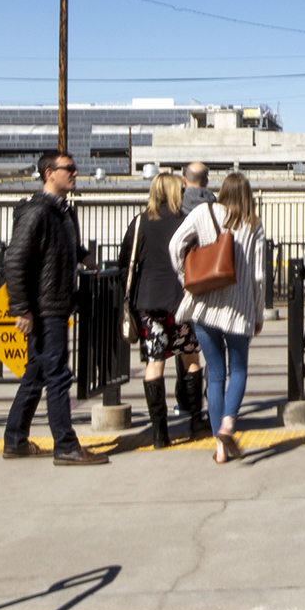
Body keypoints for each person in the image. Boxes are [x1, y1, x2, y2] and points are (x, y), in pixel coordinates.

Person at [2, 150, 108, 466]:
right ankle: (65, 445)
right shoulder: (37, 211)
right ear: (50, 173)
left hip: (55, 304)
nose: (75, 173)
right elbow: (15, 260)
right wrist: (21, 308)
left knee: (36, 375)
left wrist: (83, 255)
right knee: (58, 375)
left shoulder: (61, 212)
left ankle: (15, 439)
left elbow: (60, 247)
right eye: (69, 169)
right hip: (45, 307)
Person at [171, 172, 268, 464]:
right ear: (248, 195)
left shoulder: (204, 212)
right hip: (239, 311)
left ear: (222, 191)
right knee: (237, 370)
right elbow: (259, 276)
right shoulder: (254, 224)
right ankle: (228, 424)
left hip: (204, 307)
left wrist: (186, 277)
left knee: (215, 375)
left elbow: (175, 245)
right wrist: (258, 312)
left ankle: (220, 449)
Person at [119, 172, 206, 447]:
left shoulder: (139, 223)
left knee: (154, 363)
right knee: (190, 358)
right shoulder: (185, 221)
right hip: (181, 301)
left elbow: (125, 263)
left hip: (148, 302)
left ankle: (159, 432)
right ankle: (196, 421)